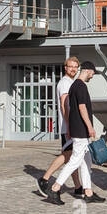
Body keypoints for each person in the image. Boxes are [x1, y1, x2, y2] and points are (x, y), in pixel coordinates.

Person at [46, 60, 105, 205]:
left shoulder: (73, 86)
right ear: (88, 71)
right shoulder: (81, 87)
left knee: (86, 162)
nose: (92, 76)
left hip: (77, 129)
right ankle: (55, 188)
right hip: (81, 131)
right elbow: (82, 108)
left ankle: (88, 192)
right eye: (92, 73)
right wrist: (90, 127)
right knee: (75, 161)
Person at [36, 57, 81, 198]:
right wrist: (69, 126)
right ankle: (44, 179)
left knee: (72, 158)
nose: (73, 69)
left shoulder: (70, 82)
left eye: (75, 67)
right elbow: (64, 105)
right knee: (67, 155)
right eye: (70, 66)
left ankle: (78, 186)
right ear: (65, 68)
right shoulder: (65, 83)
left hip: (68, 127)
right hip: (68, 127)